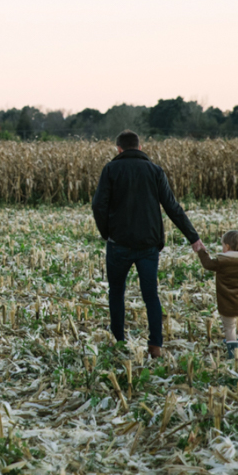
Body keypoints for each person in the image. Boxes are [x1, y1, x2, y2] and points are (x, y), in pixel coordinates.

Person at [91, 130, 203, 358]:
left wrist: (107, 233)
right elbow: (172, 207)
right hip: (148, 246)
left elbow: (98, 205)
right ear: (140, 148)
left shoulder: (111, 169)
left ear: (119, 149)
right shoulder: (155, 171)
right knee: (150, 295)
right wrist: (194, 238)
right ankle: (155, 346)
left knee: (116, 293)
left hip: (118, 245)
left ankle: (119, 341)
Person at [196, 229, 238, 359]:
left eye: (222, 245)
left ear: (227, 247)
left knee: (229, 327)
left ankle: (233, 353)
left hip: (227, 302)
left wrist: (201, 251)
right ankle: (231, 341)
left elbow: (207, 264)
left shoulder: (223, 262)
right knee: (233, 323)